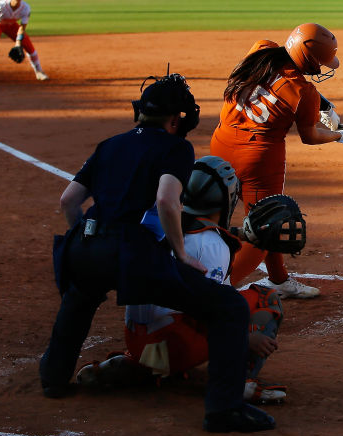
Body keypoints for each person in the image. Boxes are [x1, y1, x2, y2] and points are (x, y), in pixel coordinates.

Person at [38, 74, 276, 433]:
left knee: (79, 299)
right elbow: (166, 200)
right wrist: (180, 254)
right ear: (176, 118)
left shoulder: (110, 144)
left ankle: (53, 380)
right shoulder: (175, 148)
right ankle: (223, 410)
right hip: (131, 253)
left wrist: (85, 241)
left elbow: (69, 200)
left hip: (84, 245)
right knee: (228, 309)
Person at [76, 157, 298, 405]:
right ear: (227, 199)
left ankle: (139, 364)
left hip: (137, 338)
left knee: (175, 301)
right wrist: (246, 339)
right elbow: (215, 311)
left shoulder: (156, 221)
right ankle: (236, 380)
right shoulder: (213, 246)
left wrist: (240, 234)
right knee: (264, 299)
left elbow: (191, 230)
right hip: (174, 345)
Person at [210, 24, 343, 297]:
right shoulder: (304, 92)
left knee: (222, 219)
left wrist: (324, 107)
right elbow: (310, 135)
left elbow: (281, 76)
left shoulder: (262, 51)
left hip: (220, 145)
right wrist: (339, 135)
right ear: (311, 61)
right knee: (265, 228)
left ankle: (278, 280)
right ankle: (217, 292)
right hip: (258, 161)